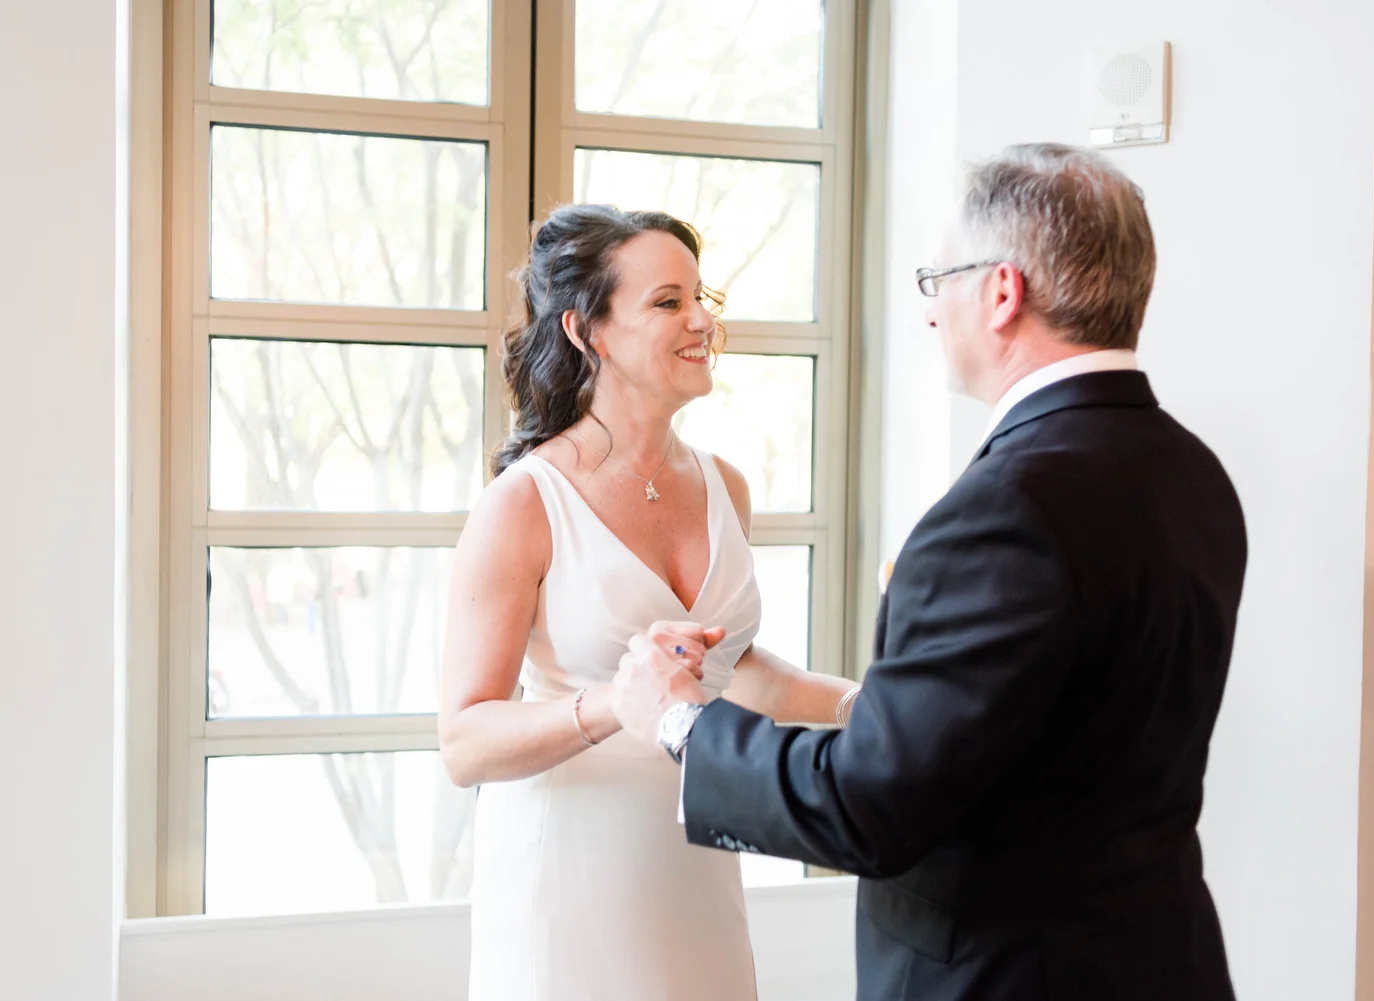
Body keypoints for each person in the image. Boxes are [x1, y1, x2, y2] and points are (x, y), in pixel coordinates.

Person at [612, 144, 1249, 1001]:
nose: (930, 314)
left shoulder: (1008, 509)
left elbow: (868, 807)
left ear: (1001, 292)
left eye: (937, 281)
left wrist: (680, 721)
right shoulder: (1192, 472)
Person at [438, 203, 859, 1001]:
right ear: (587, 331)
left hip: (696, 863)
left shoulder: (725, 485)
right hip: (568, 879)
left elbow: (732, 671)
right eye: (669, 302)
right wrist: (613, 703)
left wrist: (871, 707)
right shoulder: (525, 502)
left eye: (703, 298)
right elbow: (464, 741)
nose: (703, 321)